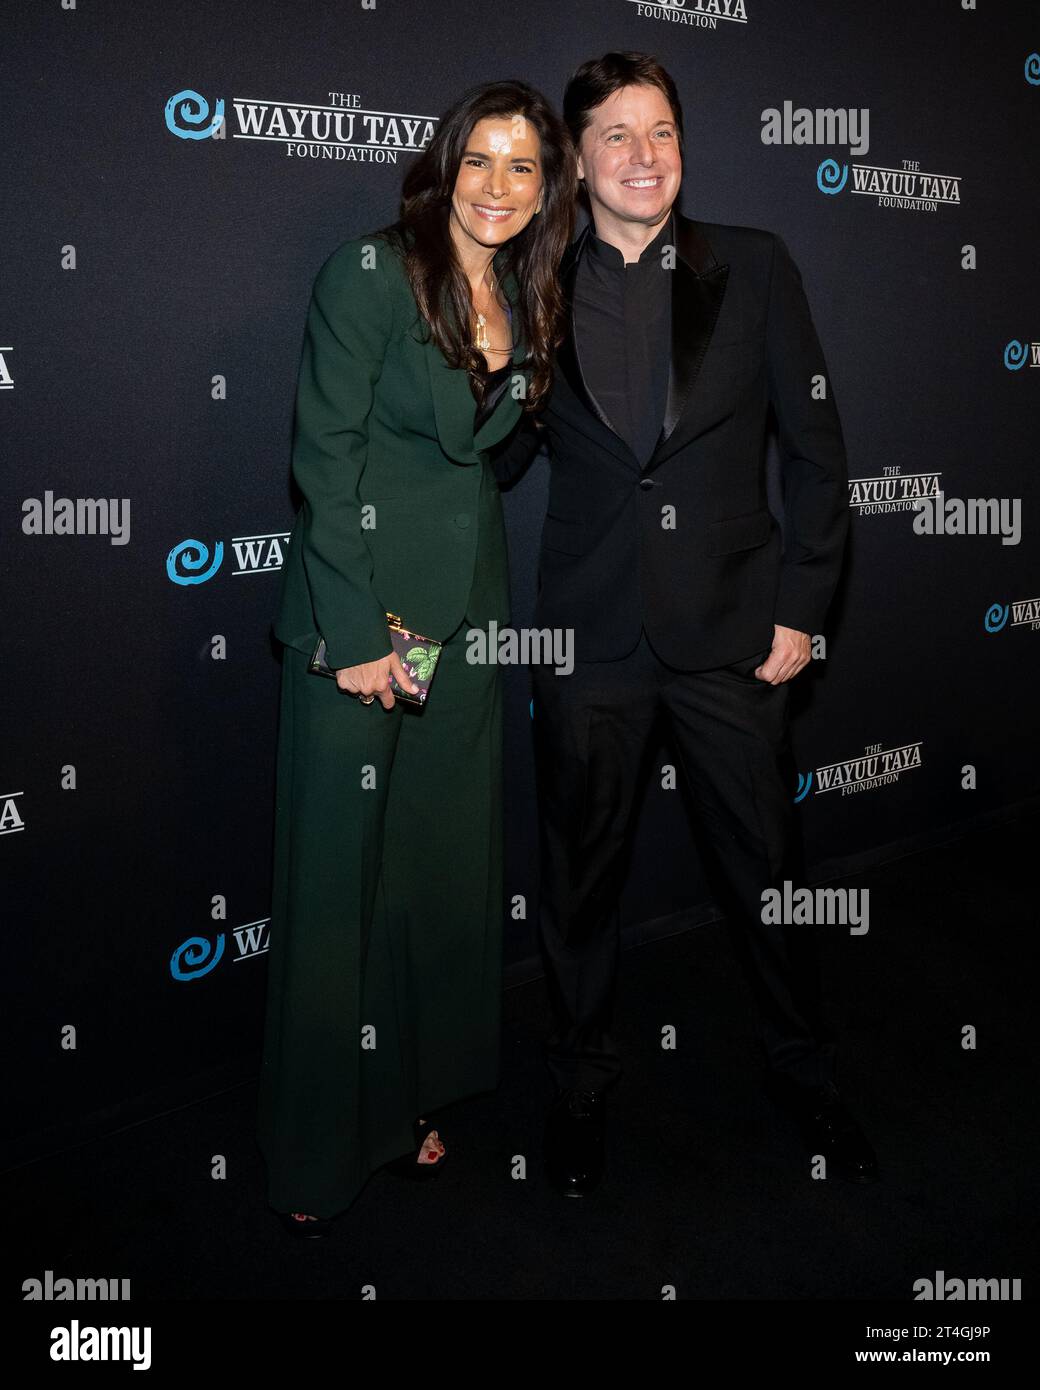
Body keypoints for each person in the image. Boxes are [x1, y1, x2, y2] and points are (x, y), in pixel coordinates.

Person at [490, 52, 878, 1195]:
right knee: (578, 883)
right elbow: (503, 454)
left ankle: (802, 1075)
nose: (642, 155)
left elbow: (816, 453)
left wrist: (801, 612)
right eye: (614, 134)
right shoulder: (531, 283)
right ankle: (577, 1089)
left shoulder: (751, 266)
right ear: (576, 157)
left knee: (769, 874)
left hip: (729, 638)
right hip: (586, 641)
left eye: (658, 131)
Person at [257, 80, 576, 1237]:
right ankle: (314, 1149)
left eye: (523, 166)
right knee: (340, 888)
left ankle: (397, 1103)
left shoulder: (528, 288)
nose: (497, 185)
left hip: (466, 610)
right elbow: (321, 458)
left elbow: (485, 459)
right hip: (362, 617)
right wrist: (352, 637)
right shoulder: (367, 274)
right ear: (443, 167)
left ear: (548, 187)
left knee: (428, 872)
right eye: (478, 159)